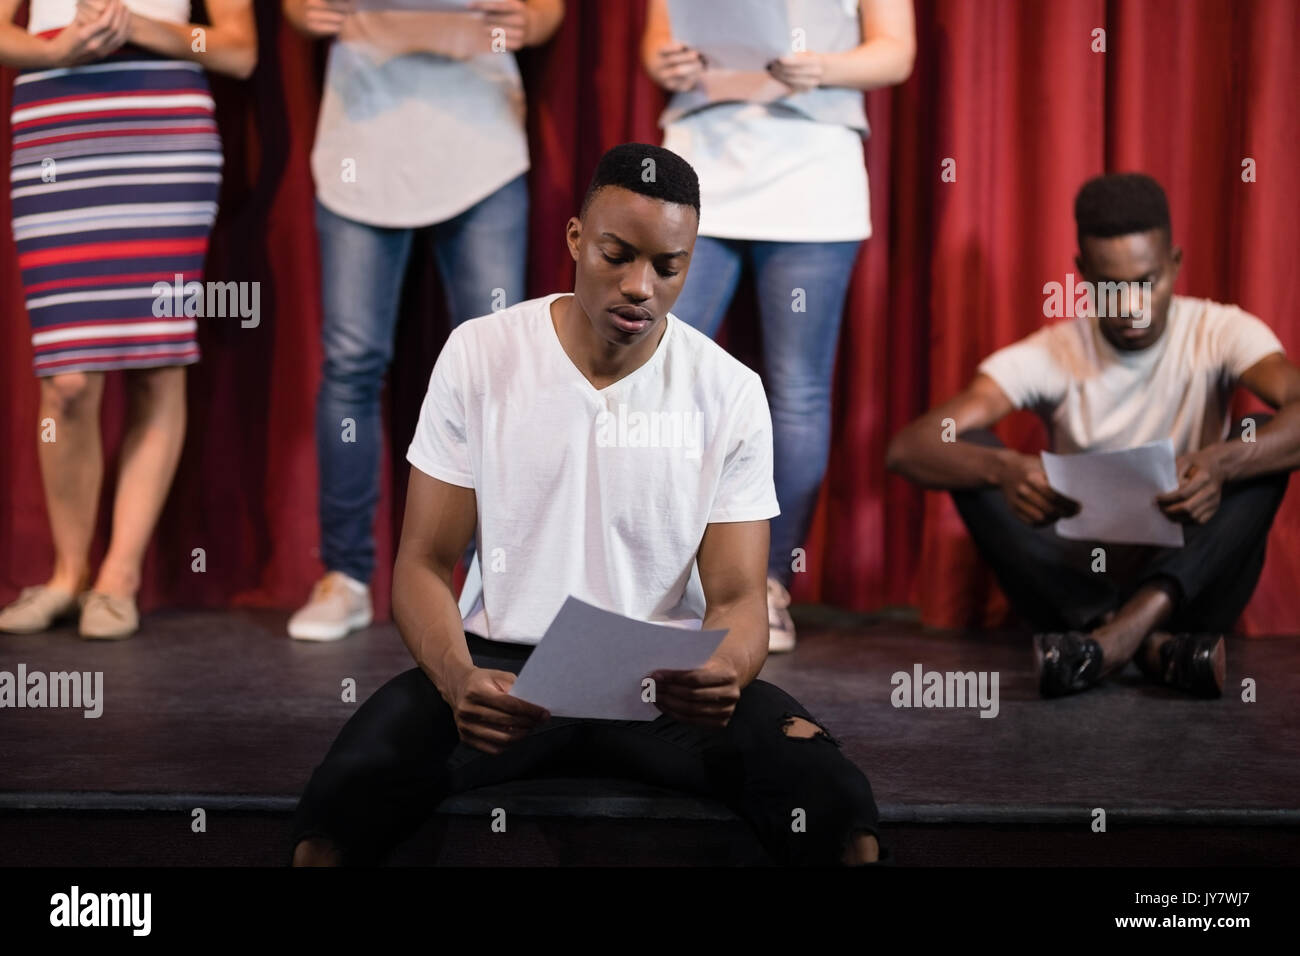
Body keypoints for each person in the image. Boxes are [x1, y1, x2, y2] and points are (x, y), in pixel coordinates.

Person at [289, 144, 886, 867]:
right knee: (337, 807)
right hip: (502, 670)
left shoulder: (727, 390)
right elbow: (421, 564)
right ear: (576, 240)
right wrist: (456, 679)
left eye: (669, 267)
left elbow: (736, 598)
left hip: (663, 680)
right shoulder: (480, 355)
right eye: (617, 255)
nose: (641, 285)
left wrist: (726, 672)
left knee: (837, 804)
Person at [886, 173, 1299, 699]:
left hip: (1193, 580)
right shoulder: (1052, 351)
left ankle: (1112, 640)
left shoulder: (1220, 331)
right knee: (976, 456)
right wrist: (1005, 470)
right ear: (1082, 275)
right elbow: (910, 447)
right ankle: (1152, 647)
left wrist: (1221, 464)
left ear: (1174, 263)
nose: (1131, 306)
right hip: (1077, 585)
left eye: (1147, 282)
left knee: (1262, 442)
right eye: (1112, 287)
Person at [282, 0, 564, 642]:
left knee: (499, 371)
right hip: (363, 142)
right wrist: (307, 12)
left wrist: (529, 22)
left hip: (481, 146)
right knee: (351, 363)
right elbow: (299, 10)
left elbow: (545, 14)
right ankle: (345, 575)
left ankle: (490, 581)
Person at [641, 0, 915, 652]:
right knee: (656, 374)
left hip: (812, 163)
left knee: (796, 389)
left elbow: (895, 52)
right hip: (700, 159)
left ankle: (763, 584)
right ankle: (656, 575)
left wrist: (821, 67)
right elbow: (658, 39)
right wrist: (668, 61)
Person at [0, 0, 256, 639]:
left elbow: (236, 50)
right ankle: (65, 574)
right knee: (67, 377)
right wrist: (58, 50)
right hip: (56, 132)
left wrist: (140, 28)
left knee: (157, 362)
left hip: (164, 133)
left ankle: (118, 577)